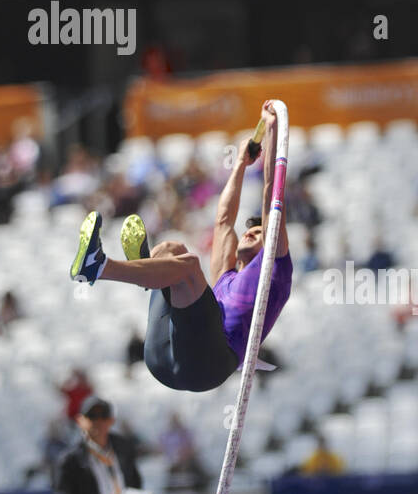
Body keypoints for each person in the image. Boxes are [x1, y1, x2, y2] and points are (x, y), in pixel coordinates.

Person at [71, 102, 291, 392]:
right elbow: (224, 220)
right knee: (171, 249)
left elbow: (270, 191)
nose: (250, 232)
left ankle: (101, 266)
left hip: (209, 365)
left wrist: (272, 129)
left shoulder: (275, 267)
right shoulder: (225, 277)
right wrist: (239, 163)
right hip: (162, 357)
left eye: (259, 231)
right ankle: (151, 272)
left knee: (187, 267)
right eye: (249, 229)